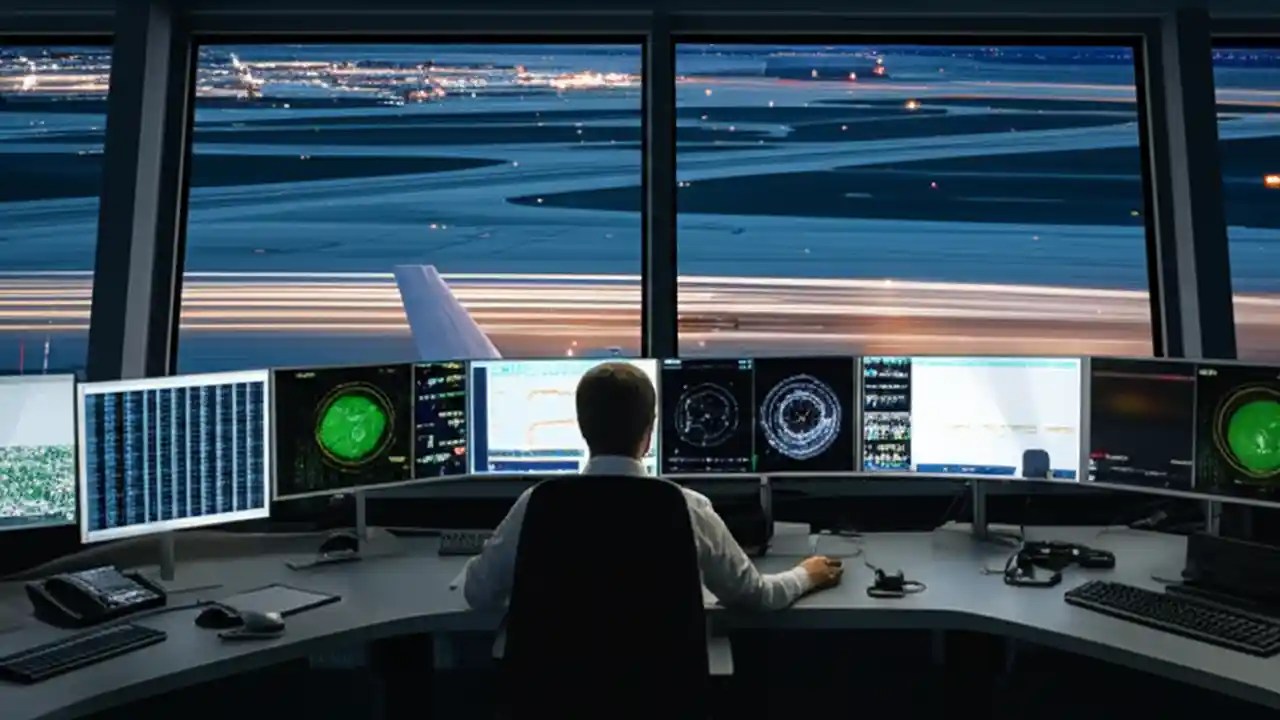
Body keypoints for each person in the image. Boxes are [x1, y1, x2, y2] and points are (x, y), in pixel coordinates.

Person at [462, 361, 843, 611]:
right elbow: (756, 596)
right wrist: (806, 574)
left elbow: (477, 595)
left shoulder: (537, 506)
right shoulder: (685, 508)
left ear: (581, 427)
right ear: (650, 431)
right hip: (660, 698)